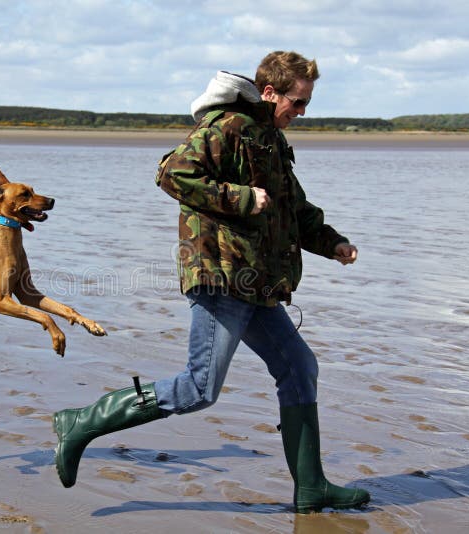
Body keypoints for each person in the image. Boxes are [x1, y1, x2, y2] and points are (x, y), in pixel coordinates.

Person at [52, 51, 370, 513]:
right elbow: (172, 172)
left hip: (256, 281)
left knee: (300, 368)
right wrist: (240, 198)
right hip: (221, 274)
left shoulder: (272, 139)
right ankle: (81, 422)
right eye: (297, 103)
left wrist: (333, 242)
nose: (301, 112)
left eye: (306, 104)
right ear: (269, 92)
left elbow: (293, 209)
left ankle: (311, 487)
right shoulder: (229, 126)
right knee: (200, 387)